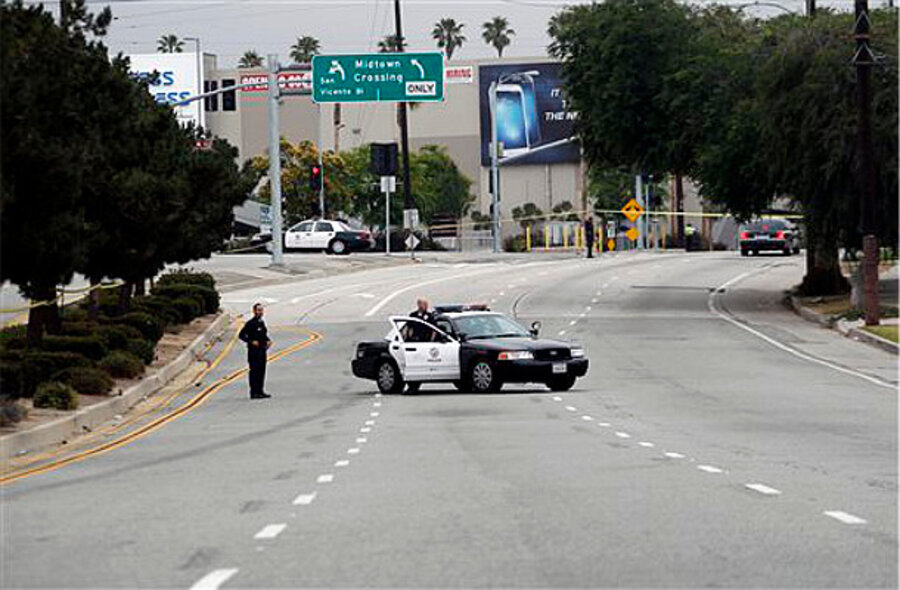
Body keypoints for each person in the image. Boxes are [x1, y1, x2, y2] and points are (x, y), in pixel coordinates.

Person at [238, 303, 272, 400]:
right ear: (254, 311)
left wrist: (268, 340)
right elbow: (241, 335)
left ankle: (260, 390)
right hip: (253, 352)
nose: (260, 312)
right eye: (258, 310)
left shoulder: (261, 323)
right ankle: (254, 392)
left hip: (262, 350)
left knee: (262, 371)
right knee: (254, 371)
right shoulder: (250, 323)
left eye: (261, 310)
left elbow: (263, 335)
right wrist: (251, 342)